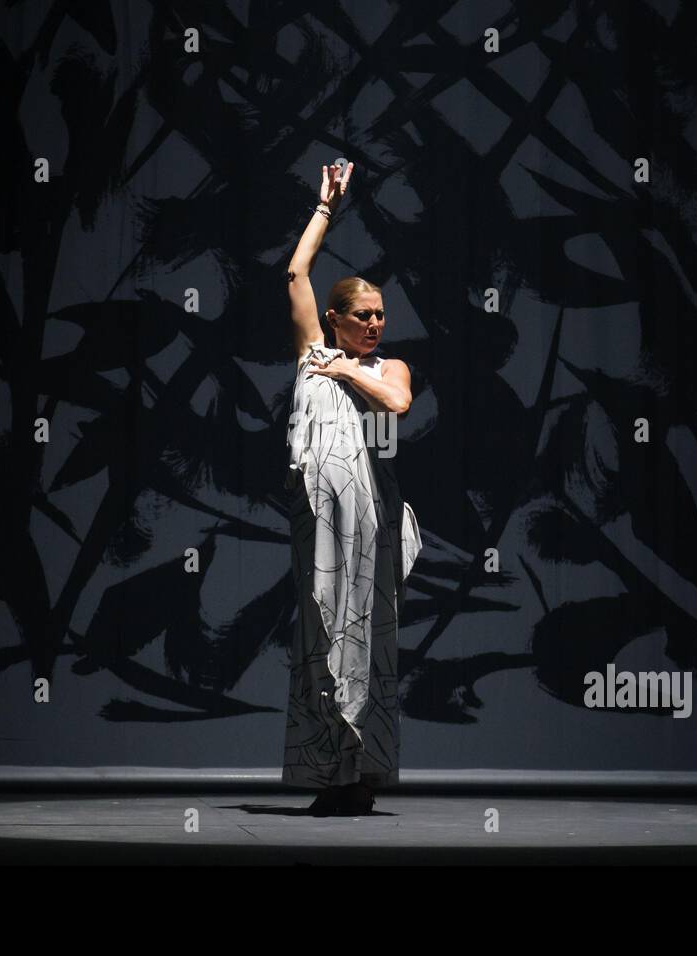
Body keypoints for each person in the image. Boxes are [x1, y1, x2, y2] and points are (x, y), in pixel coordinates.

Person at [281, 160, 422, 816]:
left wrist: (348, 367)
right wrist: (326, 210)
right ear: (334, 318)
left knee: (364, 639)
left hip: (370, 518)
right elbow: (294, 274)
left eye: (380, 315)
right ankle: (328, 774)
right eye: (362, 315)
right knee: (320, 633)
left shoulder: (386, 364)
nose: (375, 324)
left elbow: (395, 401)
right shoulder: (313, 349)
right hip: (320, 517)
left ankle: (359, 777)